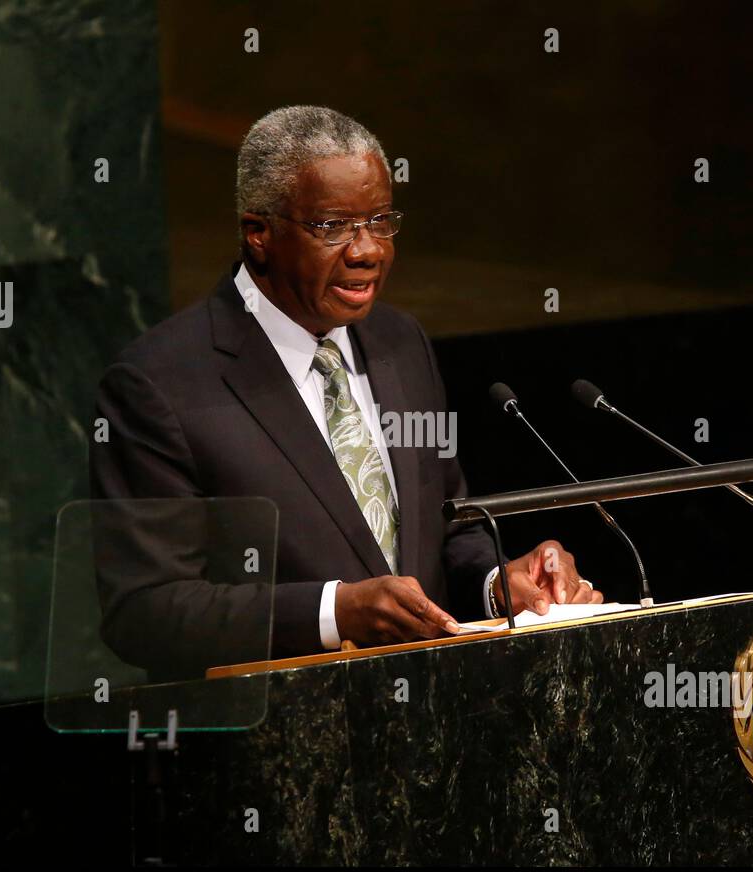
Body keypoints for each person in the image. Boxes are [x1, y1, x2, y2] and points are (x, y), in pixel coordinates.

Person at [90, 105, 600, 667]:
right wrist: (335, 613)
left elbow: (447, 525)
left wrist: (497, 579)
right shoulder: (159, 384)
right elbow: (145, 611)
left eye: (380, 221)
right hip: (282, 739)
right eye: (332, 227)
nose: (368, 250)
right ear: (258, 234)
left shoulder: (400, 342)